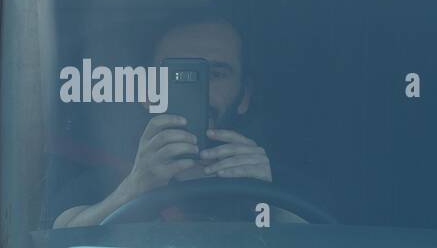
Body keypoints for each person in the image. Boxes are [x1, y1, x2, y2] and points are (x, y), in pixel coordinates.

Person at [53, 15, 273, 228]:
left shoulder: (272, 178)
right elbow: (61, 241)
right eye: (178, 75)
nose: (199, 91)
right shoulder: (102, 180)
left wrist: (266, 200)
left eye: (216, 74)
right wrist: (133, 189)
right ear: (148, 93)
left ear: (245, 95)